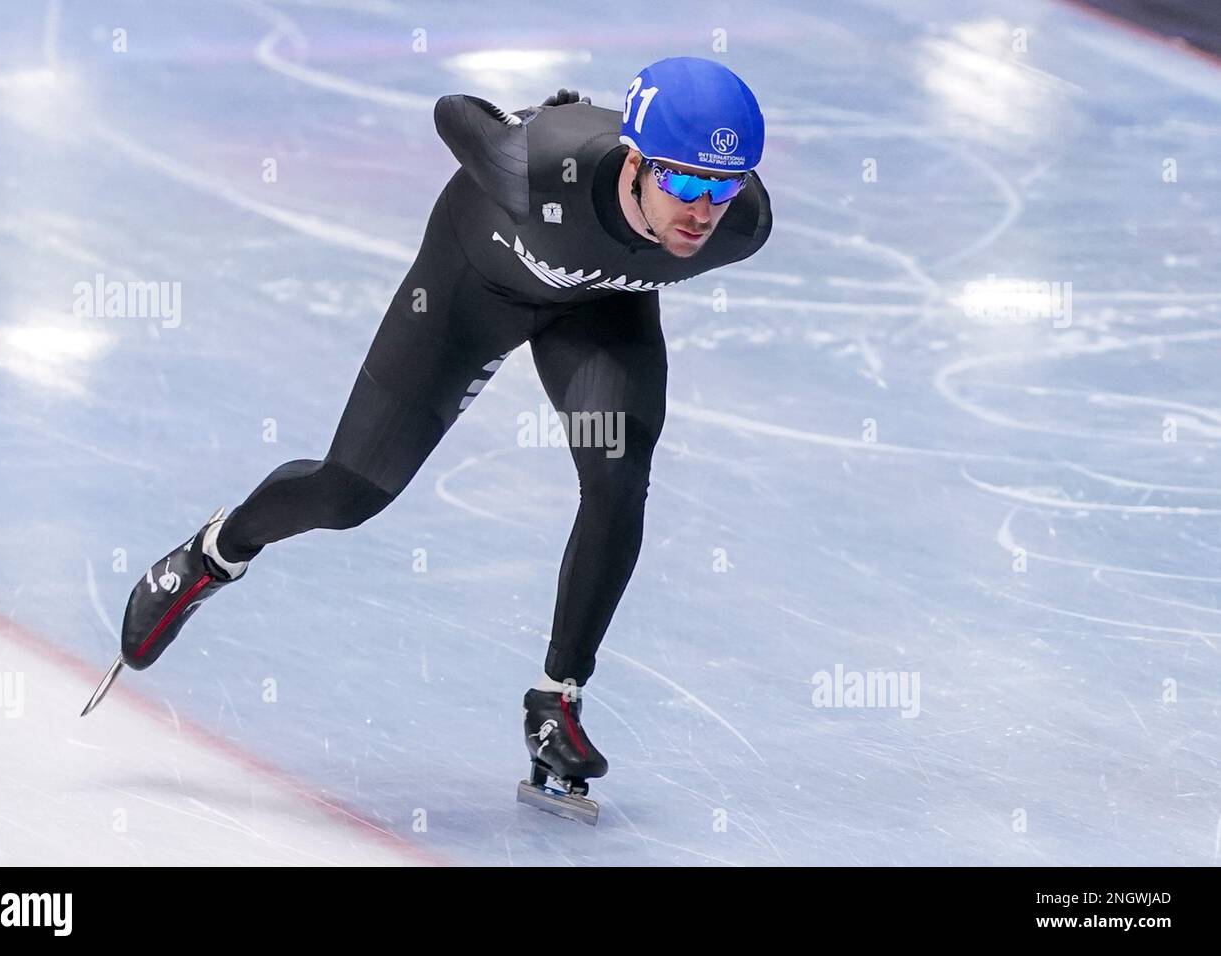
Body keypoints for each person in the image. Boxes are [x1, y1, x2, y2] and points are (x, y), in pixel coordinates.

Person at [88, 56, 773, 813]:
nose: (702, 210)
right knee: (351, 492)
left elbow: (689, 216)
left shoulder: (743, 225)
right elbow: (454, 108)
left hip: (600, 311)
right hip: (468, 289)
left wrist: (694, 199)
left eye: (724, 184)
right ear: (637, 163)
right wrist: (519, 130)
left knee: (617, 478)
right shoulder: (542, 169)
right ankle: (212, 554)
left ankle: (556, 703)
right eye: (682, 182)